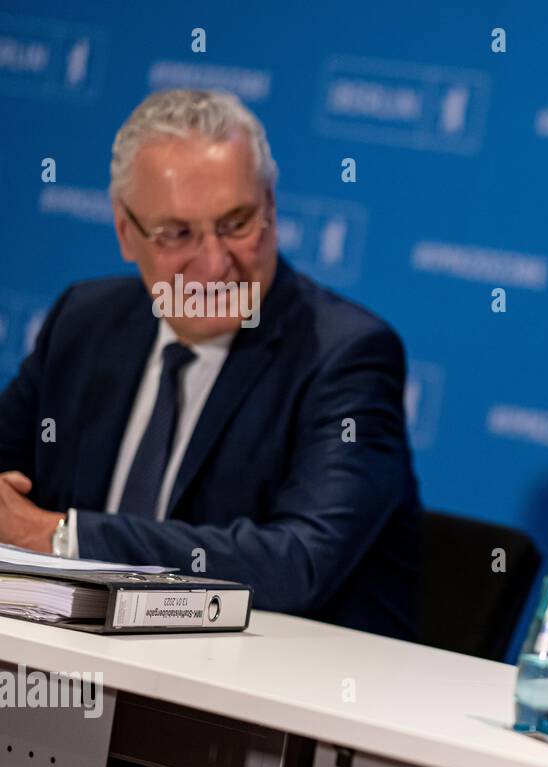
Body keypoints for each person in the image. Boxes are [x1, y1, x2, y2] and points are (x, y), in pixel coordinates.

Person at [0, 89, 420, 641]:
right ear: (126, 232)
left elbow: (299, 561)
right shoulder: (85, 320)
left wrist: (58, 536)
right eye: (177, 234)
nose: (216, 263)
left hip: (271, 679)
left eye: (237, 223)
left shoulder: (345, 354)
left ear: (271, 208)